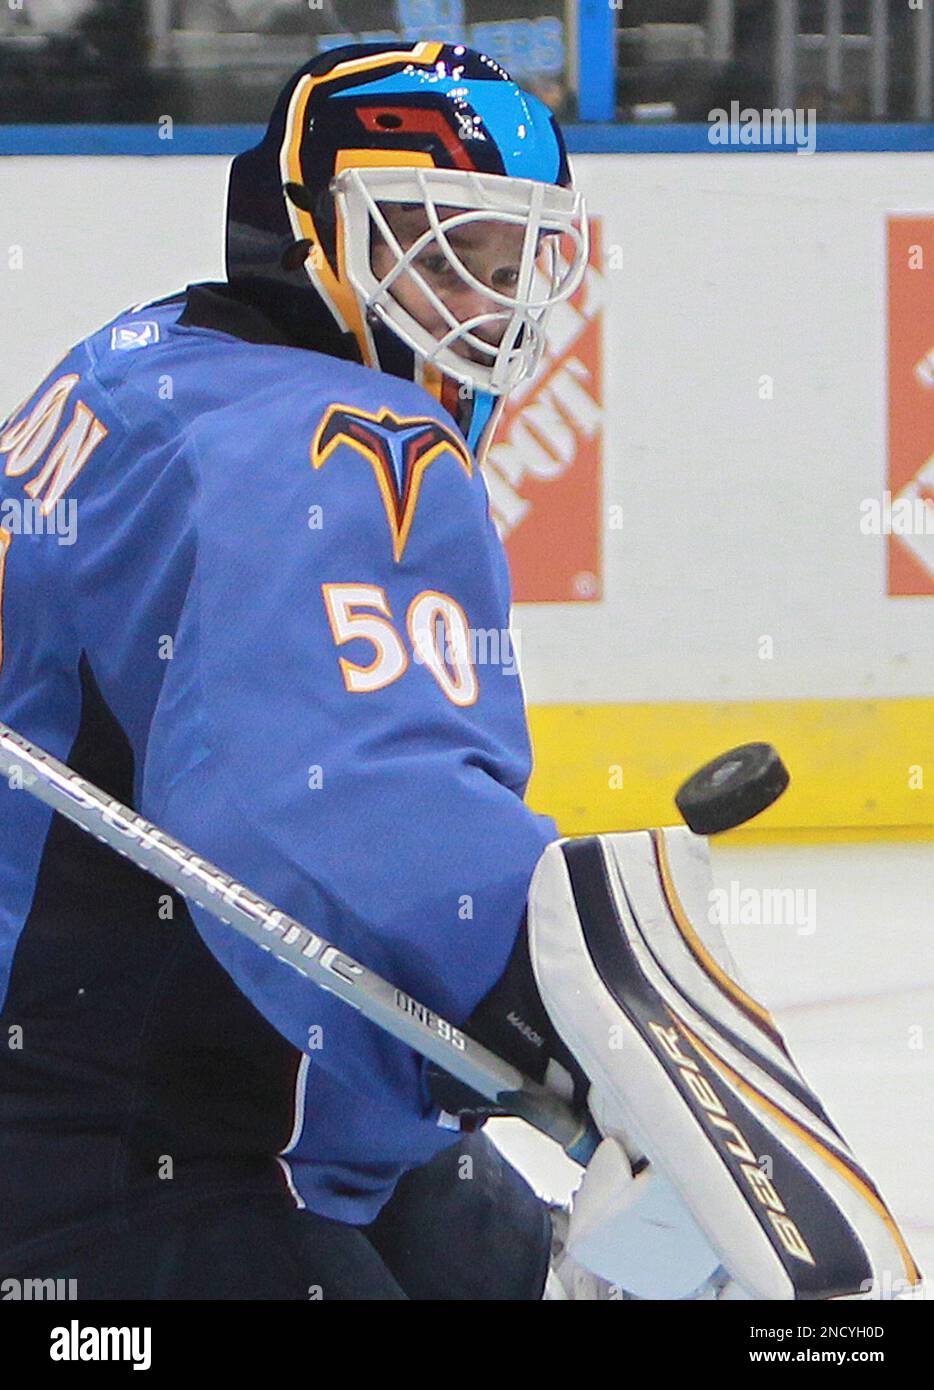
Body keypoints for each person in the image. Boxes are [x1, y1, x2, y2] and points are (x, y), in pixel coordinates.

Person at [0, 40, 593, 1300]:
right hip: (127, 1137)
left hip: (211, 1086)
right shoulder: (332, 435)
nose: (479, 308)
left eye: (501, 266)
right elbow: (340, 801)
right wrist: (549, 983)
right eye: (436, 256)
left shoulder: (149, 359)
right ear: (309, 232)